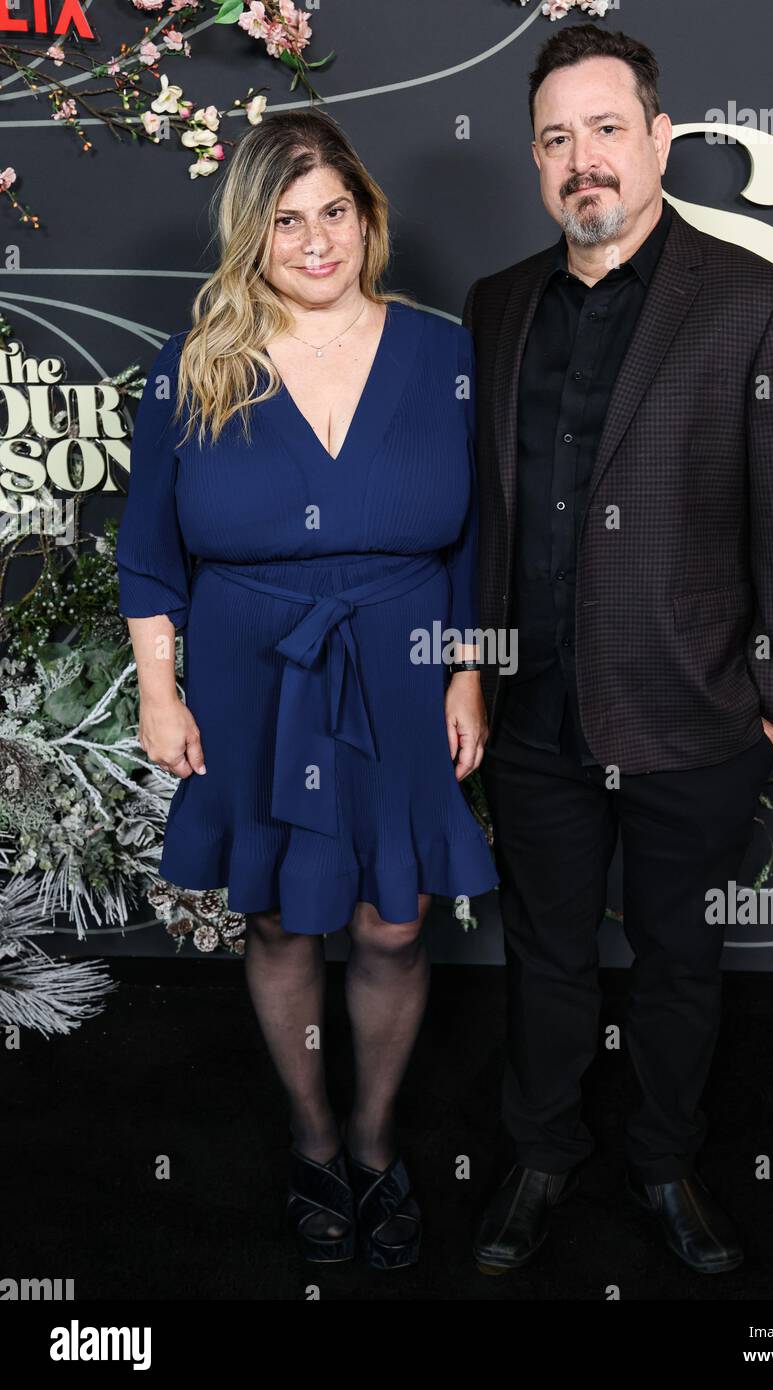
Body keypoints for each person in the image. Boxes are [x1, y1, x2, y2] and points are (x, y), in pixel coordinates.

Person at [463, 25, 773, 1275]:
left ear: (659, 139)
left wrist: (772, 704)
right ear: (534, 162)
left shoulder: (759, 306)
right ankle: (543, 1154)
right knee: (547, 957)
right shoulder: (498, 306)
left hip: (692, 719)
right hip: (535, 720)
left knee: (679, 961)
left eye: (605, 130)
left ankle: (667, 1162)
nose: (584, 162)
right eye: (556, 139)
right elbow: (484, 517)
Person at [115, 109, 498, 1271]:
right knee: (279, 910)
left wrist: (469, 667)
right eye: (286, 219)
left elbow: (477, 534)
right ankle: (314, 1136)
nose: (316, 239)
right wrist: (158, 691)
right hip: (249, 671)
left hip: (401, 657)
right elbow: (147, 550)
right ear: (252, 233)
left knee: (395, 917)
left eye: (335, 210)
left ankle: (378, 1143)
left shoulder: (443, 354)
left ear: (366, 219)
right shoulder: (196, 365)